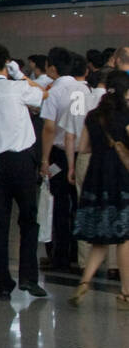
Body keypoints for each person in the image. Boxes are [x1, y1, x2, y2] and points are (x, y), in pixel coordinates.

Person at [70, 70, 129, 307]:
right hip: (122, 179)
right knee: (125, 238)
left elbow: (83, 147)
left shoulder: (93, 116)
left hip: (97, 178)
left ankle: (84, 282)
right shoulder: (126, 115)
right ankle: (126, 291)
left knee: (100, 238)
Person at [40, 48, 80, 273]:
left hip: (58, 153)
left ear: (52, 68)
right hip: (79, 153)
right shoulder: (82, 88)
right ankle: (76, 252)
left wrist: (44, 160)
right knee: (77, 203)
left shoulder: (53, 92)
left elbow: (48, 128)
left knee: (59, 205)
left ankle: (60, 255)